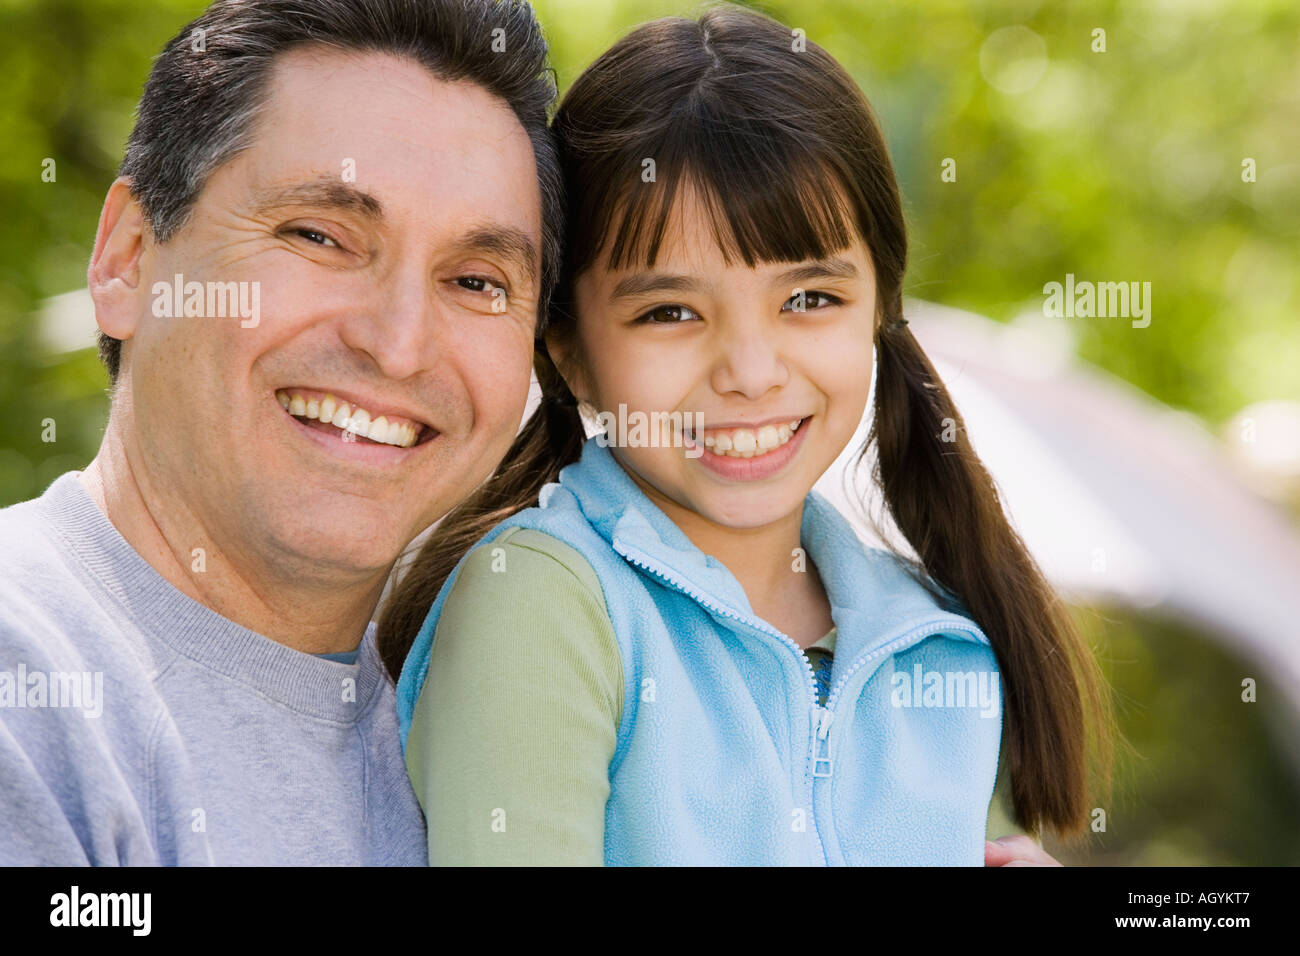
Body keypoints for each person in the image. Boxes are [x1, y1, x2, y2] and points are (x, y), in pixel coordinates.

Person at [381, 4, 1113, 865]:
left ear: (879, 307)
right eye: (671, 311)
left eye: (809, 299)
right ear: (569, 351)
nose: (751, 370)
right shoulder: (543, 606)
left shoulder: (934, 639)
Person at [0, 0, 562, 864]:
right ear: (127, 260)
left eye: (478, 282)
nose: (399, 345)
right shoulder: (26, 682)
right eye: (319, 235)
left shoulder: (500, 736)